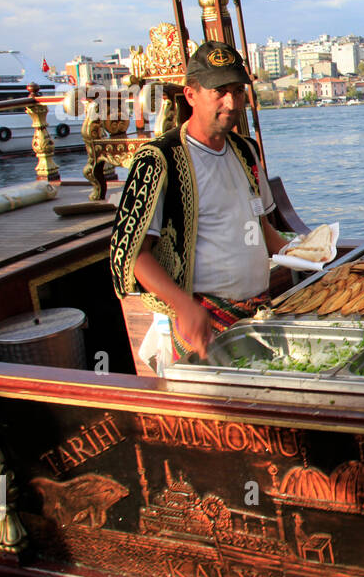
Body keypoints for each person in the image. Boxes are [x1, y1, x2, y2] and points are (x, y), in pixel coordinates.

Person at [110, 40, 288, 360]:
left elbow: (260, 227)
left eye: (237, 90)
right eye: (219, 91)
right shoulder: (159, 159)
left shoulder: (245, 150)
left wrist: (312, 256)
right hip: (203, 320)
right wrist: (183, 305)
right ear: (191, 94)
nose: (231, 102)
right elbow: (134, 255)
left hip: (259, 312)